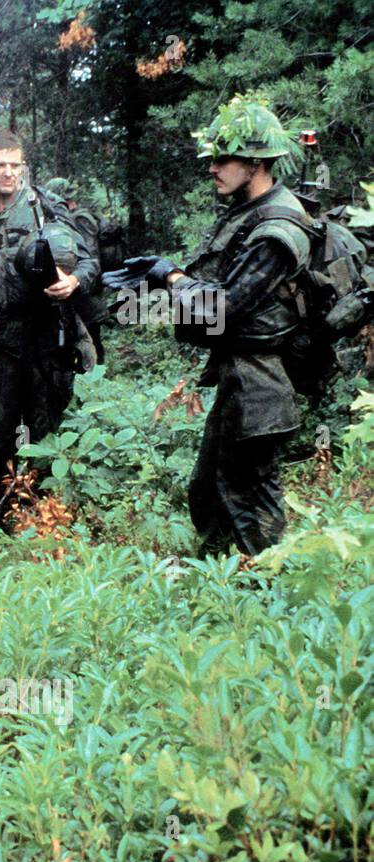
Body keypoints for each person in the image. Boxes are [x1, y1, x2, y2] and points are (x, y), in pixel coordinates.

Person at [105, 95, 309, 556]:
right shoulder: (250, 215)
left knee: (249, 502)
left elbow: (225, 307)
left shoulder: (277, 230)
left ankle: (268, 599)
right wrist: (163, 279)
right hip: (240, 378)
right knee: (209, 492)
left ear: (256, 162)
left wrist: (171, 276)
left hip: (260, 385)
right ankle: (217, 593)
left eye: (223, 158)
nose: (212, 168)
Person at [0, 131, 98, 524]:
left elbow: (89, 262)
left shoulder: (47, 208)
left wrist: (73, 282)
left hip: (45, 334)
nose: (9, 173)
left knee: (43, 430)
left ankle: (41, 515)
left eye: (15, 165)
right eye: (0, 165)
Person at [44, 176, 111, 362]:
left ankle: (97, 380)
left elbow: (91, 259)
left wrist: (74, 278)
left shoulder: (80, 219)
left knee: (91, 344)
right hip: (73, 294)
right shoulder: (62, 221)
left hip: (85, 295)